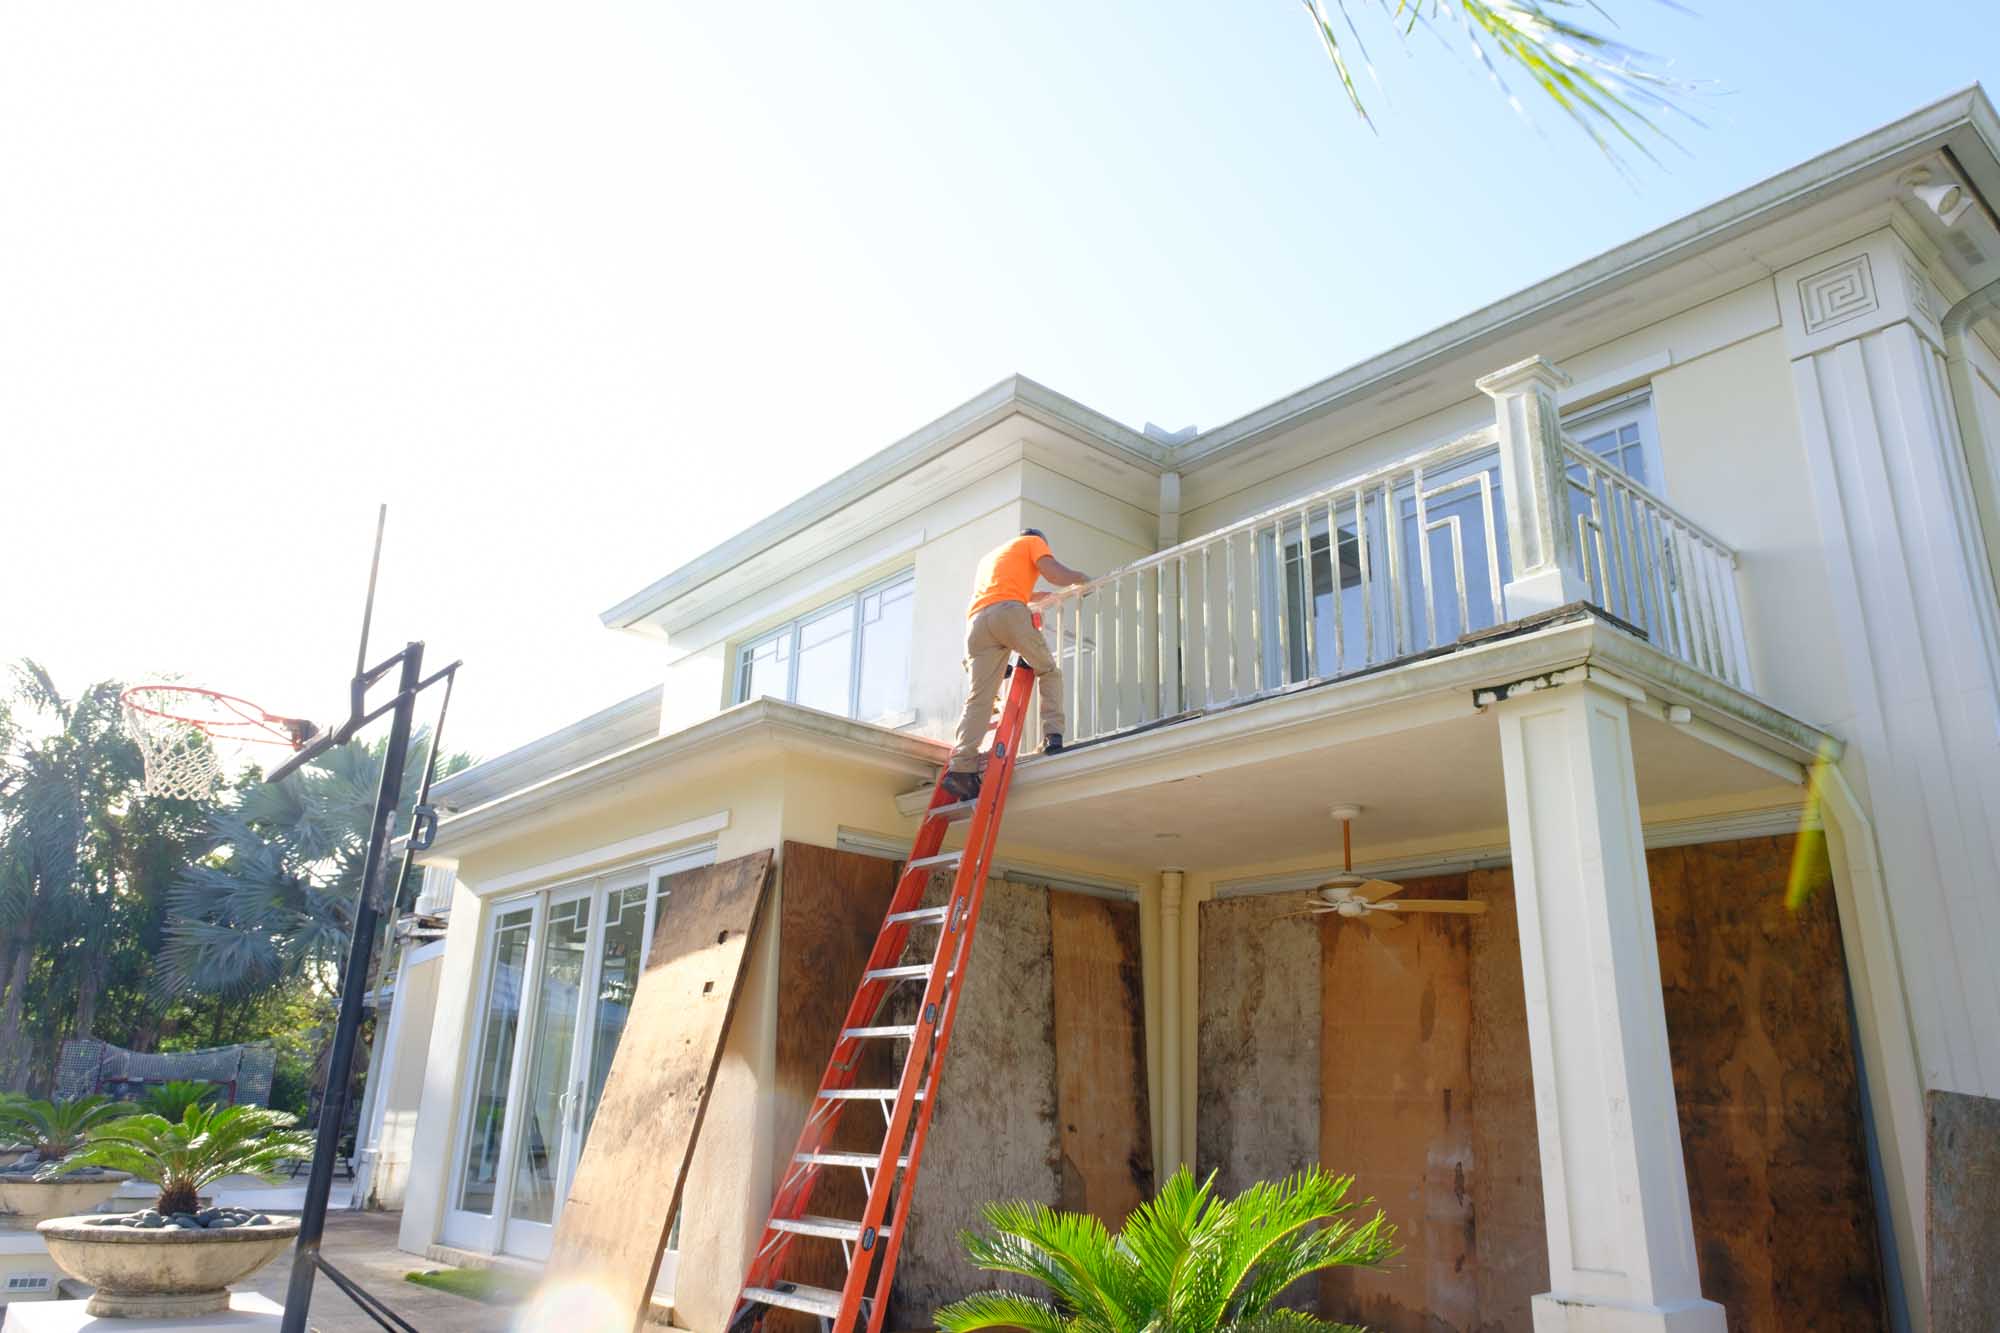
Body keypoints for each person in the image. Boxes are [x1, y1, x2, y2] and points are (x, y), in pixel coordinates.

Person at [941, 528, 1089, 802]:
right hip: (1007, 614)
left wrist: (1037, 596)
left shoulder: (991, 558)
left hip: (977, 624)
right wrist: (1080, 580)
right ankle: (1052, 736)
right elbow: (1054, 572)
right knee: (1048, 670)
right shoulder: (1033, 542)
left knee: (979, 699)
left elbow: (1009, 590)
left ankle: (961, 767)